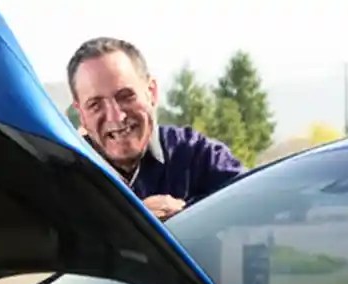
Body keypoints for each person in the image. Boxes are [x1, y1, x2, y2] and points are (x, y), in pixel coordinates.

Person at [66, 37, 246, 221]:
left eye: (126, 96)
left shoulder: (199, 158)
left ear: (151, 92)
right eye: (96, 105)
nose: (116, 116)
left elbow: (258, 211)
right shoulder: (64, 179)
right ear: (81, 114)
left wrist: (189, 218)